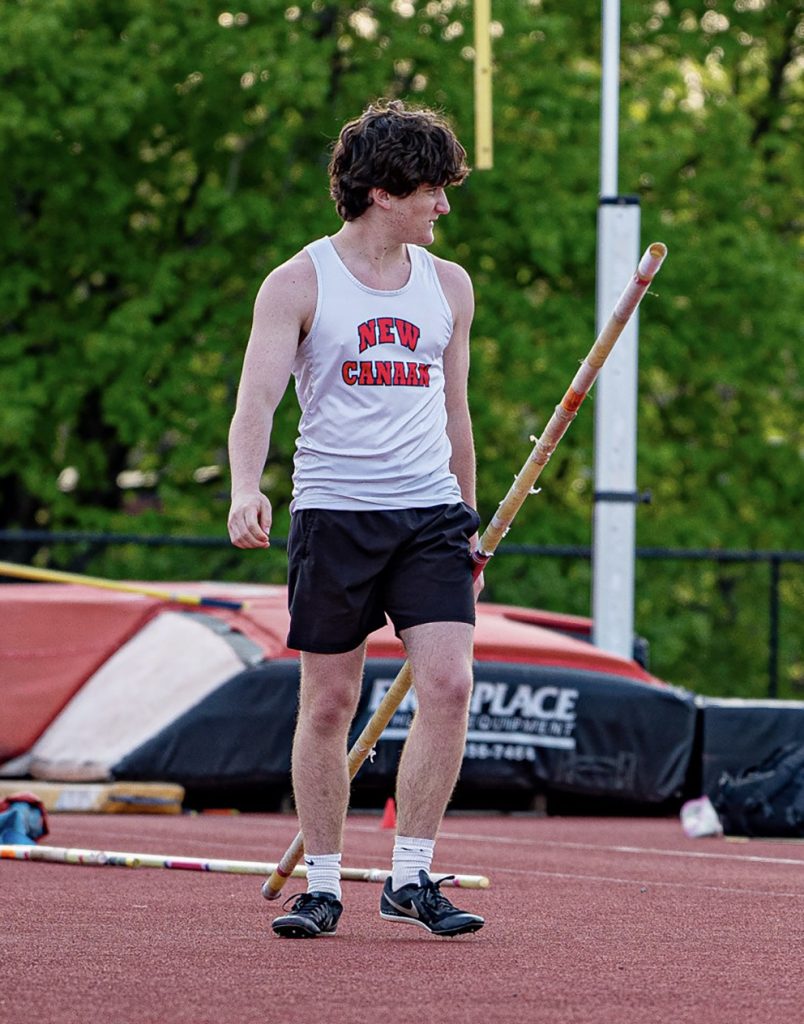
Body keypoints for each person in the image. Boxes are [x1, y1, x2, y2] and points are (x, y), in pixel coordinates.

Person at [227, 99, 485, 939]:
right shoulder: (298, 282)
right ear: (383, 192)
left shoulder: (449, 285)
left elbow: (457, 410)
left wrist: (469, 514)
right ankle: (326, 885)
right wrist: (244, 486)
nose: (444, 205)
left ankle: (411, 876)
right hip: (335, 514)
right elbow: (257, 399)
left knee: (448, 685)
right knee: (331, 701)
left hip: (431, 516)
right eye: (432, 190)